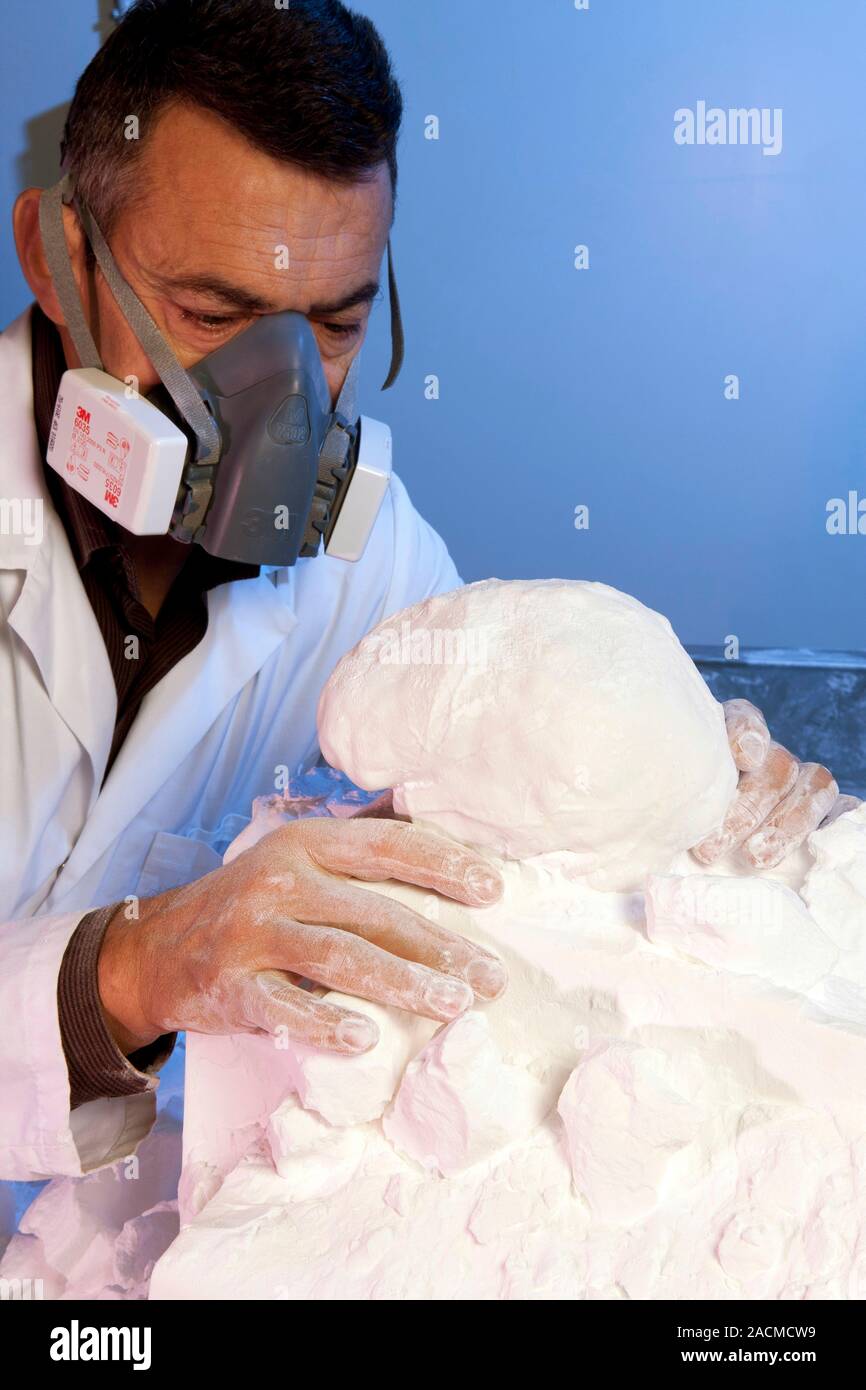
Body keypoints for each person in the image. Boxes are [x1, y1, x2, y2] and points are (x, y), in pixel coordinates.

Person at [0, 0, 847, 1183]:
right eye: (209, 314)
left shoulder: (367, 551)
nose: (277, 404)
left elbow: (513, 744)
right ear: (58, 257)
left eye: (332, 326)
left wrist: (685, 776)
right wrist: (137, 968)